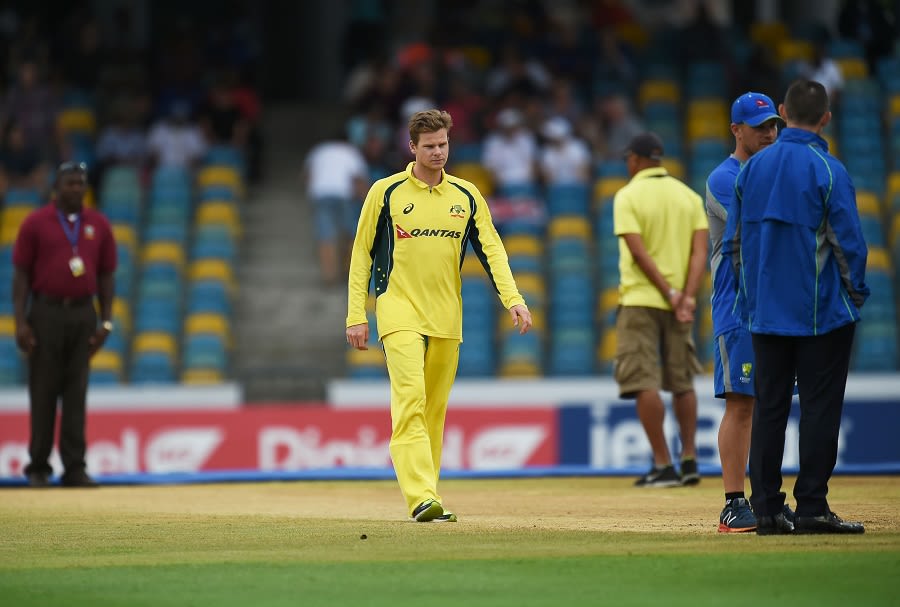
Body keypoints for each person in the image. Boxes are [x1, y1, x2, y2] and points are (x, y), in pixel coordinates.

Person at [345, 109, 532, 522]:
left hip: (447, 317)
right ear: (412, 148)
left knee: (434, 410)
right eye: (428, 146)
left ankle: (429, 494)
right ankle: (420, 498)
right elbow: (361, 253)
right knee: (410, 401)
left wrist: (513, 299)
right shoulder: (386, 191)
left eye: (443, 144)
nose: (437, 152)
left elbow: (493, 250)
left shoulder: (466, 196)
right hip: (398, 310)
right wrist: (355, 314)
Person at [726, 80, 869, 535]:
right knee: (818, 410)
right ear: (825, 117)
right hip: (819, 313)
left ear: (784, 112)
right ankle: (811, 507)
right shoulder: (829, 171)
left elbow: (733, 246)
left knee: (768, 408)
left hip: (765, 313)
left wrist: (749, 298)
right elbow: (849, 246)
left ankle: (766, 508)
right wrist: (855, 294)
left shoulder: (751, 170)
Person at [12, 161, 117, 488]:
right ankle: (39, 467)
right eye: (70, 183)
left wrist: (106, 322)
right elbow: (21, 275)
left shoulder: (98, 224)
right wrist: (20, 322)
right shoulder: (35, 223)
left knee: (77, 392)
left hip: (83, 313)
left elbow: (106, 275)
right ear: (56, 187)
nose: (77, 188)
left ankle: (74, 468)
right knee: (42, 391)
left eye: (81, 183)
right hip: (46, 313)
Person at [612, 132, 708, 488]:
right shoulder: (689, 196)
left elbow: (637, 251)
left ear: (635, 160)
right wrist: (687, 296)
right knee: (682, 381)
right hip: (681, 303)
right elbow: (700, 253)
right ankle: (690, 460)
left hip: (640, 300)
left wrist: (667, 292)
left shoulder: (628, 195)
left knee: (643, 380)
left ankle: (663, 464)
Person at [706, 92, 781, 532]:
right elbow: (759, 233)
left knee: (768, 405)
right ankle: (733, 503)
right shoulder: (723, 177)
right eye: (759, 127)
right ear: (737, 130)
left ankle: (768, 498)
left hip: (776, 309)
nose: (769, 134)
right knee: (741, 405)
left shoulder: (771, 174)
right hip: (738, 309)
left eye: (773, 125)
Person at [302, 133, 369, 286]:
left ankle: (329, 276)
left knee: (325, 235)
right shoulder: (351, 152)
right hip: (343, 194)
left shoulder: (318, 151)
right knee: (347, 233)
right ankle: (346, 271)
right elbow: (358, 180)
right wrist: (370, 203)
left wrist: (311, 194)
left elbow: (307, 176)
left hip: (320, 194)